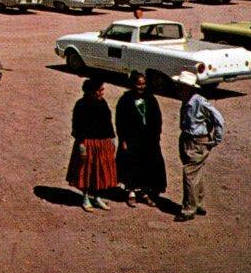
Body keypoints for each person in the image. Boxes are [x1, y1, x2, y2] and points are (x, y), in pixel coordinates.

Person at [172, 71, 225, 222]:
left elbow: (219, 119)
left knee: (189, 173)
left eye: (181, 86)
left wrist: (216, 139)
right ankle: (198, 203)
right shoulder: (187, 100)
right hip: (188, 139)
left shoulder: (200, 102)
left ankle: (189, 209)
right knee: (196, 173)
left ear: (189, 87)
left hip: (197, 142)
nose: (178, 88)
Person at [66, 78, 118, 212]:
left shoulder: (102, 103)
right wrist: (81, 143)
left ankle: (97, 197)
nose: (102, 92)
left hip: (103, 142)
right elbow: (77, 125)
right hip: (88, 143)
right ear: (92, 91)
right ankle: (85, 198)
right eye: (100, 90)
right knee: (87, 171)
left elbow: (108, 122)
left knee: (100, 171)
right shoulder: (81, 105)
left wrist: (112, 138)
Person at [115, 71, 166, 207]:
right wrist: (123, 140)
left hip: (148, 140)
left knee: (146, 165)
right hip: (132, 139)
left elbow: (157, 119)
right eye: (138, 84)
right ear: (133, 84)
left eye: (143, 84)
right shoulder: (125, 100)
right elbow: (120, 122)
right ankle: (131, 192)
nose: (141, 87)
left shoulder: (150, 98)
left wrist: (156, 136)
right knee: (131, 164)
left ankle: (144, 192)